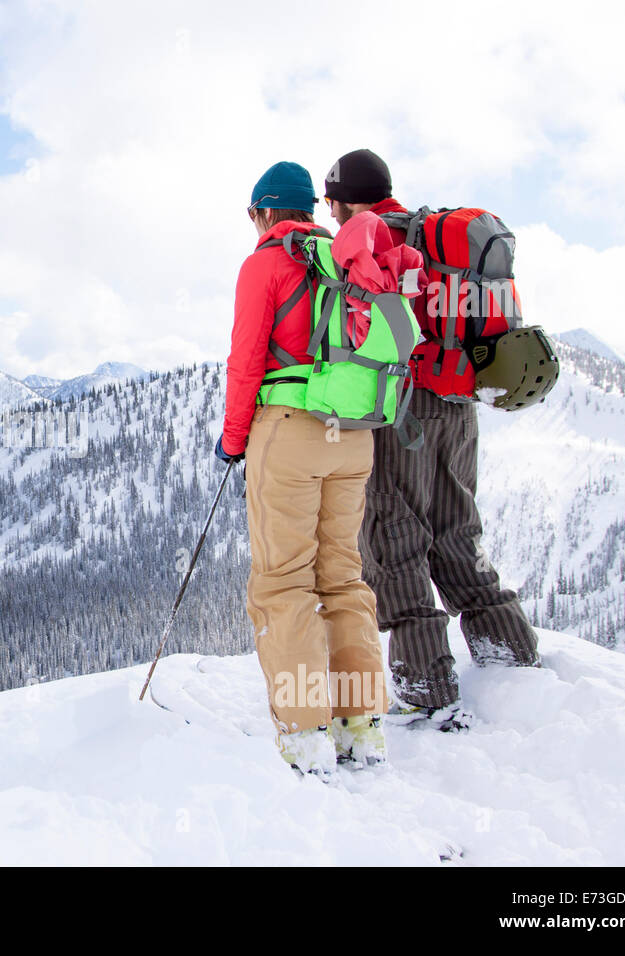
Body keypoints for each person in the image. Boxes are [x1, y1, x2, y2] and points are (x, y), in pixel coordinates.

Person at [321, 148, 541, 731]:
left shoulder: (371, 240)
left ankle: (425, 685)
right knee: (457, 530)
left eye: (331, 201)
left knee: (395, 534)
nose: (331, 213)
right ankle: (511, 653)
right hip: (460, 403)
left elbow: (361, 331)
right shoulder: (436, 236)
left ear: (344, 199)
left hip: (404, 405)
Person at [217, 161, 387, 778]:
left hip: (287, 430)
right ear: (309, 210)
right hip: (355, 436)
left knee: (284, 582)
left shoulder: (264, 263)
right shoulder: (342, 259)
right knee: (342, 575)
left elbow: (246, 361)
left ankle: (305, 732)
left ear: (264, 210)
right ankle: (361, 726)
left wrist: (234, 441)